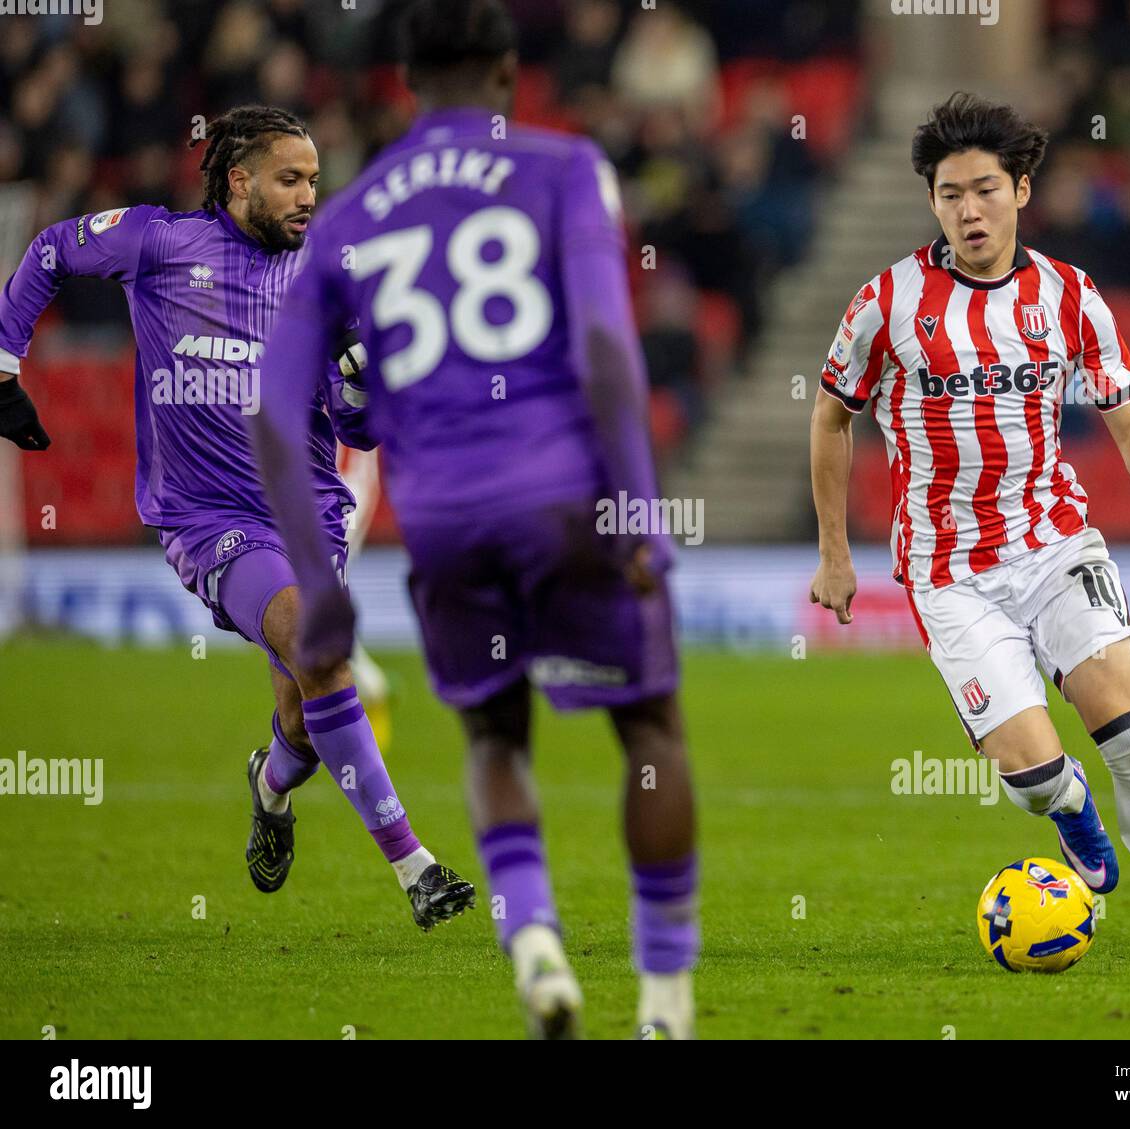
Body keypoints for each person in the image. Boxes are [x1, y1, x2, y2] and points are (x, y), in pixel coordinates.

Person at [250, 0, 700, 1038]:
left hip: (445, 521)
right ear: (505, 73)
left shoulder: (351, 217)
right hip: (566, 499)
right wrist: (638, 509)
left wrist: (321, 589)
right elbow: (604, 347)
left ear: (407, 84)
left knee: (495, 736)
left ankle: (533, 938)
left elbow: (278, 412)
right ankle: (666, 1001)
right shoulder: (564, 167)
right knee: (649, 726)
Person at [0, 104, 474, 930]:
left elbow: (360, 428)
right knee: (319, 649)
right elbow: (47, 251)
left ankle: (268, 785)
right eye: (290, 179)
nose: (306, 197)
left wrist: (362, 379)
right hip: (208, 517)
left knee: (303, 708)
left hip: (310, 517)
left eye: (315, 181)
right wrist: (3, 366)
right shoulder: (156, 243)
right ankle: (416, 867)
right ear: (238, 179)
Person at [809, 92, 1130, 969]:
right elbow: (831, 419)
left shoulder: (1071, 295)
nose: (969, 209)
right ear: (932, 203)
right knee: (1034, 775)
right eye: (951, 193)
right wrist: (837, 554)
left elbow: (1127, 414)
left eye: (986, 189)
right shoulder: (886, 303)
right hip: (948, 572)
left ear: (1022, 191)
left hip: (1055, 545)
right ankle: (1069, 806)